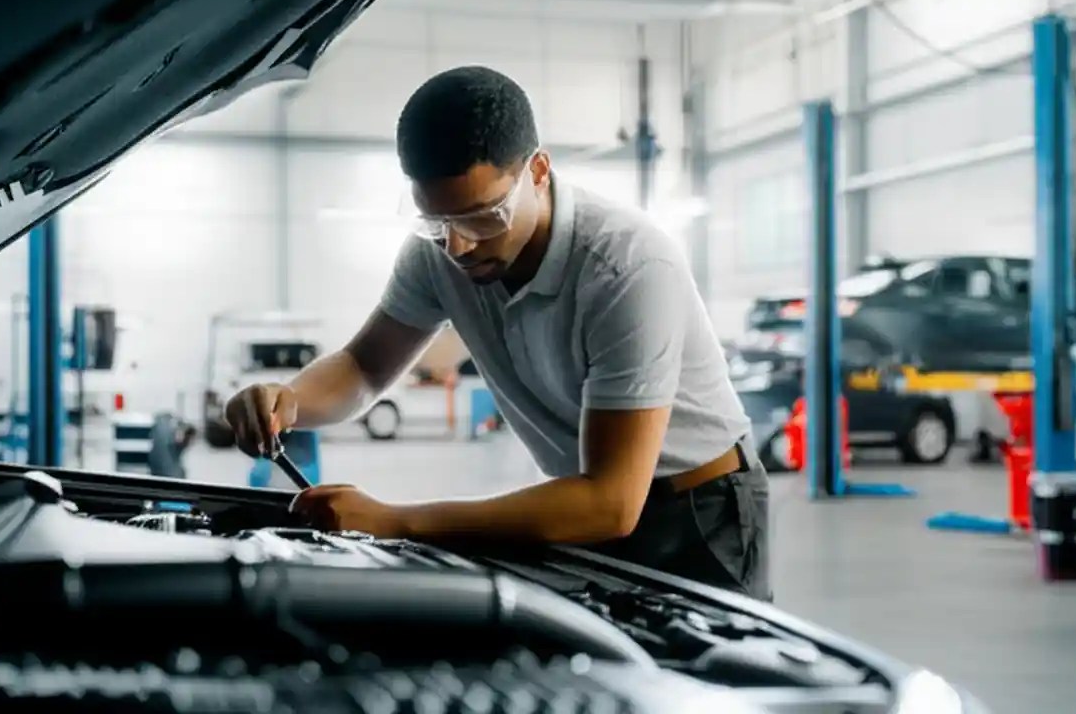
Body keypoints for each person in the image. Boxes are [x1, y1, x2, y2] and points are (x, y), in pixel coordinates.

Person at [225, 65, 771, 600]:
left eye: (483, 216)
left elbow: (610, 502)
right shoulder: (436, 250)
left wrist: (397, 521)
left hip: (696, 513)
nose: (459, 246)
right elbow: (363, 368)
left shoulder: (625, 267)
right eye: (436, 222)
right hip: (579, 501)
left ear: (537, 171)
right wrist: (288, 401)